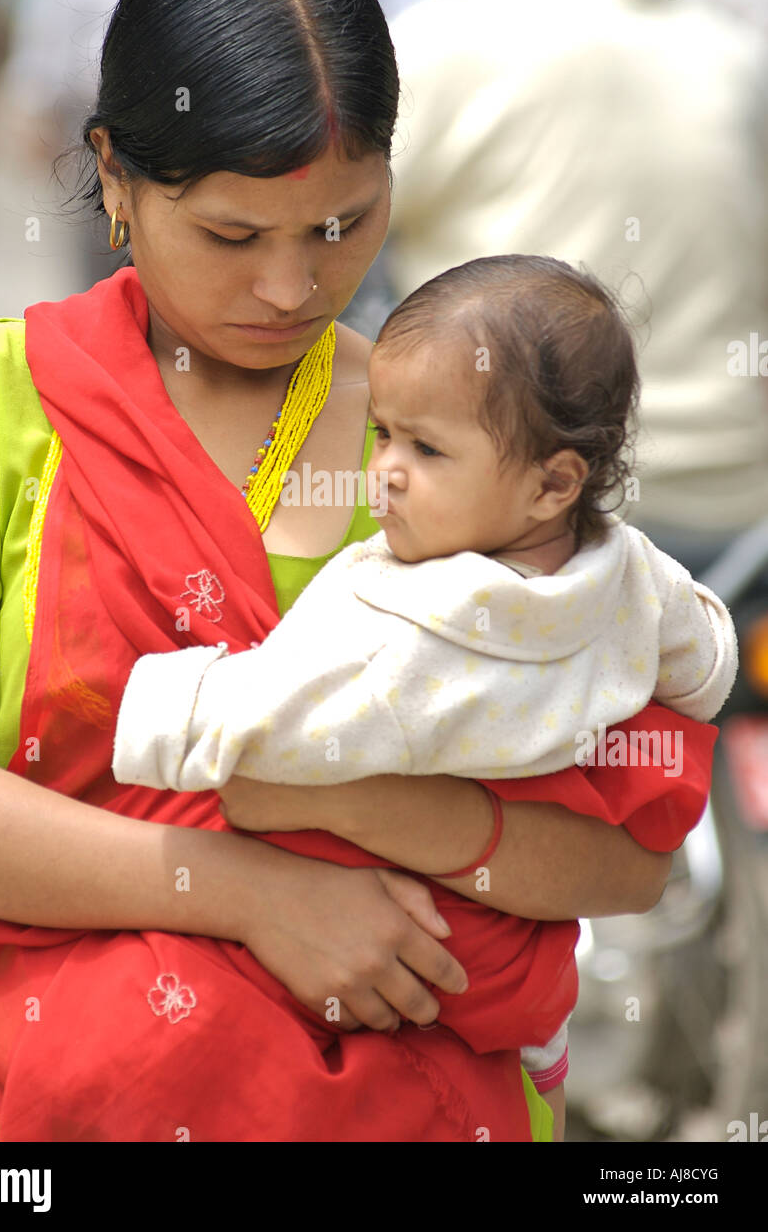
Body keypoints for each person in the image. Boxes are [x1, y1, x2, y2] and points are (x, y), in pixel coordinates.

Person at [0, 0, 707, 1143]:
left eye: (342, 226)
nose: (291, 288)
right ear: (114, 178)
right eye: (233, 236)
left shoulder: (458, 438)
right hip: (46, 1109)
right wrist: (245, 891)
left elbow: (629, 856)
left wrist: (387, 830)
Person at [111, 252, 734, 1130]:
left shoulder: (432, 628)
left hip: (430, 944)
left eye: (427, 449)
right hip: (533, 930)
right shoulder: (624, 568)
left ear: (553, 481)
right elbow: (702, 653)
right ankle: (544, 1055)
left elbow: (296, 720)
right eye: (383, 435)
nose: (388, 473)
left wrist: (170, 716)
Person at [384, 0, 768, 568]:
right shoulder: (738, 59)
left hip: (524, 512)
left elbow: (316, 223)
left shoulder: (449, 32)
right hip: (734, 516)